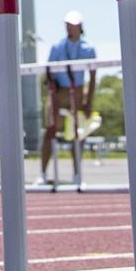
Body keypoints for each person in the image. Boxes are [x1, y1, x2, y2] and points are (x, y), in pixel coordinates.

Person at [40, 10, 97, 183]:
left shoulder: (89, 49)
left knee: (78, 133)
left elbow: (93, 77)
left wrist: (88, 102)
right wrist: (52, 88)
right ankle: (42, 174)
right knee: (50, 130)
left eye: (72, 25)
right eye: (67, 24)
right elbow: (48, 72)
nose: (69, 28)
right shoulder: (57, 47)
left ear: (80, 26)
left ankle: (76, 175)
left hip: (78, 91)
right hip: (59, 92)